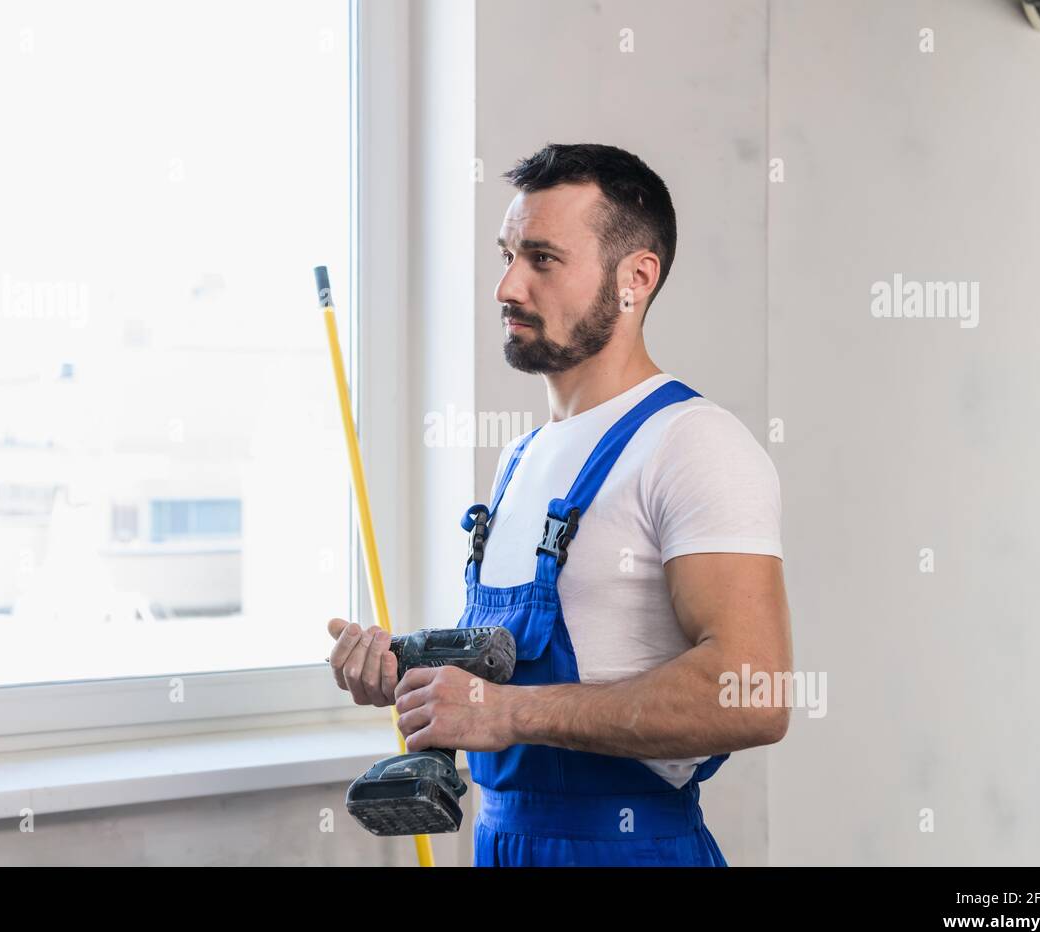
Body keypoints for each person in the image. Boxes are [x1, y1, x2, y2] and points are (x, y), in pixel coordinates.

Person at [328, 143, 792, 866]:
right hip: (503, 843)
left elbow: (754, 694)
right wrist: (410, 678)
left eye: (542, 259)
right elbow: (507, 673)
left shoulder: (693, 443)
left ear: (636, 279)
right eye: (506, 254)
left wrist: (506, 713)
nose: (507, 287)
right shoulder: (520, 461)